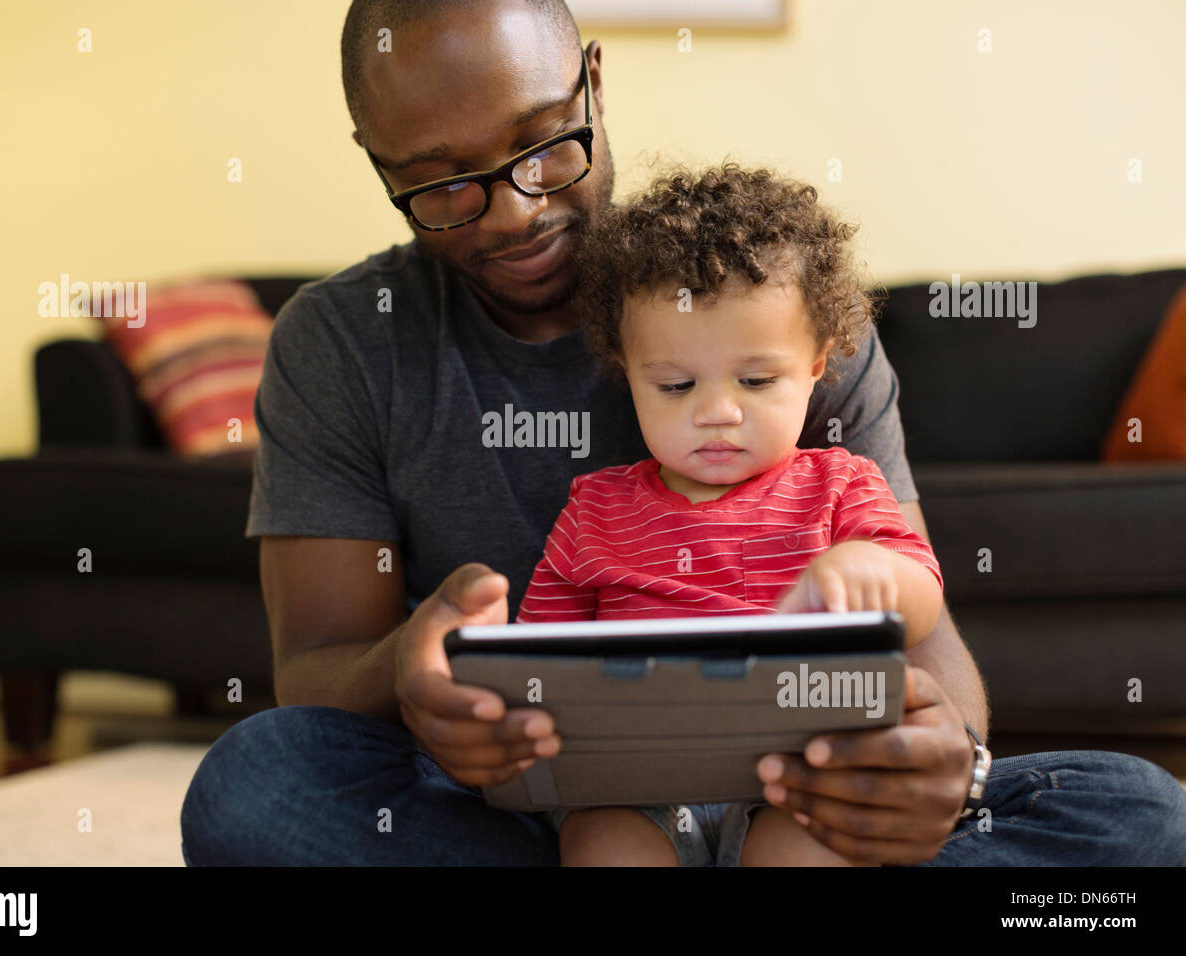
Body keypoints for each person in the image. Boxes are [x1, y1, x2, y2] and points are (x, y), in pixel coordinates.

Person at [179, 0, 1186, 866]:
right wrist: (409, 668)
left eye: (544, 143)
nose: (515, 211)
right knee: (255, 788)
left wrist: (945, 770)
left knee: (1138, 819)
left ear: (594, 83)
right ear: (374, 158)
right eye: (442, 182)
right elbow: (313, 665)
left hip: (803, 800)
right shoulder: (342, 343)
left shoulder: (773, 307)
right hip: (557, 812)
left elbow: (931, 642)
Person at [516, 163, 946, 865]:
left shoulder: (841, 485)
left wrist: (875, 571)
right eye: (676, 384)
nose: (717, 412)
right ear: (628, 371)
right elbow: (537, 662)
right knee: (602, 844)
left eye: (756, 379)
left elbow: (923, 600)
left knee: (812, 846)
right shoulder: (595, 508)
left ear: (819, 363)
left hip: (803, 774)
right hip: (636, 786)